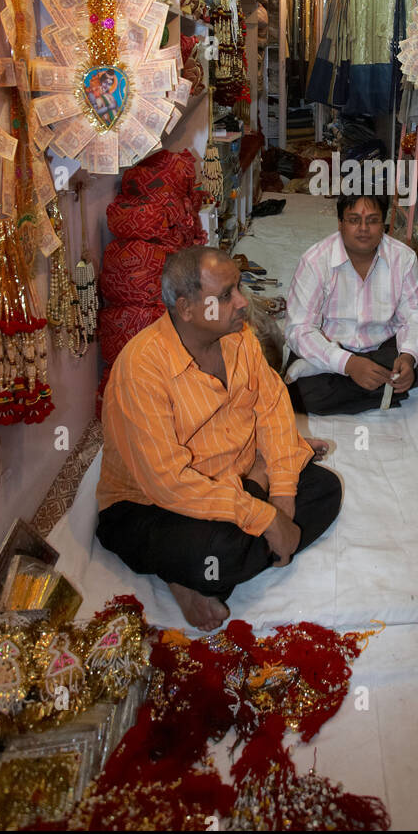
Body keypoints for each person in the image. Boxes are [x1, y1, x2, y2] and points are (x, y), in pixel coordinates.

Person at [96, 246, 342, 632]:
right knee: (218, 552)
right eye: (226, 295)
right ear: (186, 308)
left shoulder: (239, 339)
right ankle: (185, 577)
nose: (242, 303)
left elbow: (274, 407)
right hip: (150, 506)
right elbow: (169, 484)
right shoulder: (141, 368)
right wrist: (263, 513)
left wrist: (282, 494)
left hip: (230, 481)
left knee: (326, 489)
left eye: (238, 288)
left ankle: (207, 567)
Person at [285, 194, 418, 415]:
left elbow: (414, 319)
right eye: (354, 220)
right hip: (333, 348)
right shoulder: (315, 261)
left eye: (372, 220)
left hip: (383, 349)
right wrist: (348, 364)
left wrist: (408, 358)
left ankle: (396, 385)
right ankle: (405, 391)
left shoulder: (403, 259)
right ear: (340, 223)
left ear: (383, 224)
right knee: (300, 396)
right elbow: (299, 329)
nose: (363, 229)